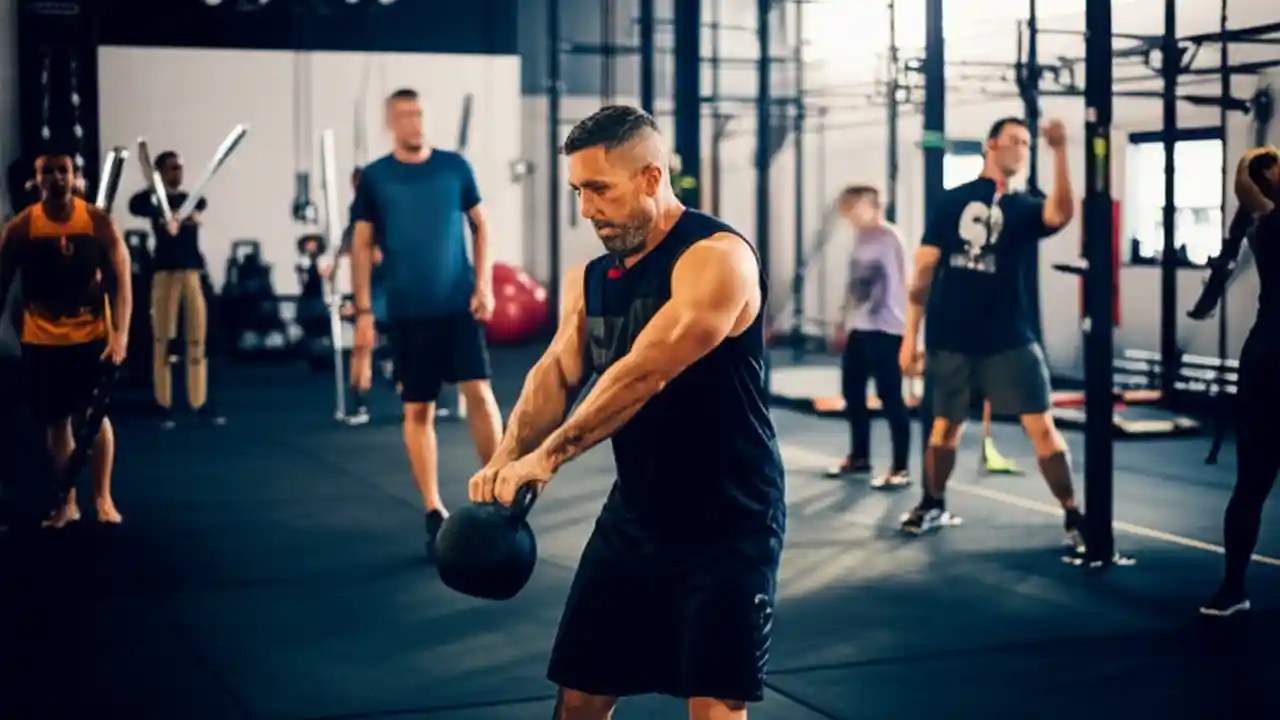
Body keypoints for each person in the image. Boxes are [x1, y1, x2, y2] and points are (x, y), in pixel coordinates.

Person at [467, 105, 785, 720]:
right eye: (578, 191)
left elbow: (646, 371)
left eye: (599, 190)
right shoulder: (593, 277)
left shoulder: (716, 258)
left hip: (730, 519)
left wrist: (550, 456)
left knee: (715, 706)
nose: (586, 209)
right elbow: (556, 372)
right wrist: (509, 453)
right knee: (580, 698)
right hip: (637, 514)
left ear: (650, 177)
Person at [898, 117, 1085, 547]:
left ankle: (1074, 515)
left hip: (1009, 336)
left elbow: (1060, 213)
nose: (1021, 149)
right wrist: (911, 337)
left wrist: (1059, 150)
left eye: (1026, 143)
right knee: (944, 429)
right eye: (1013, 141)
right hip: (951, 337)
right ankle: (933, 501)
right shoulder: (950, 202)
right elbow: (923, 271)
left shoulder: (1022, 207)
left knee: (1041, 426)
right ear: (991, 146)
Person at [349, 88, 503, 558]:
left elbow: (482, 224)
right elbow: (360, 245)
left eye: (418, 113)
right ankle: (434, 508)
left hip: (457, 303)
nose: (413, 122)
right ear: (389, 122)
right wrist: (363, 314)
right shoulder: (376, 177)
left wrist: (485, 284)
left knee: (478, 391)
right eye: (403, 115)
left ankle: (499, 489)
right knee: (418, 409)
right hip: (408, 312)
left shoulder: (454, 167)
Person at [0, 150, 133, 526]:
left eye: (64, 171)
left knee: (96, 417)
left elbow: (122, 280)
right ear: (36, 180)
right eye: (48, 172)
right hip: (43, 336)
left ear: (75, 177)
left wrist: (120, 335)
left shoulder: (96, 221)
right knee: (56, 422)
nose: (57, 178)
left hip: (91, 333)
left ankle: (103, 498)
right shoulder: (22, 227)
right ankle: (66, 502)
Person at [1195, 146, 1280, 617]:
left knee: (1250, 483)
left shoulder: (1263, 224)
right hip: (1270, 361)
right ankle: (1232, 587)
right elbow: (1245, 182)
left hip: (1264, 355)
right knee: (1252, 482)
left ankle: (1232, 589)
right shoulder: (1268, 223)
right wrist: (1250, 159)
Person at [127, 150, 225, 429]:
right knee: (162, 339)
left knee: (197, 338)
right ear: (161, 173)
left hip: (191, 271)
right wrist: (158, 201)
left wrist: (184, 216)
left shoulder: (188, 200)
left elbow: (200, 202)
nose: (178, 173)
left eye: (180, 167)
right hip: (164, 273)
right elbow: (136, 205)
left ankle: (199, 400)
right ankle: (164, 403)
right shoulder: (153, 201)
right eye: (172, 168)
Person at [825, 184, 911, 489]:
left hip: (887, 329)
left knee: (890, 398)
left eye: (853, 206)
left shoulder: (891, 238)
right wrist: (841, 320)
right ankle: (859, 457)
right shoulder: (859, 238)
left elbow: (906, 287)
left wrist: (912, 336)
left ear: (871, 205)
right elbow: (854, 284)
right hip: (859, 328)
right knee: (853, 393)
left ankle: (900, 467)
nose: (848, 214)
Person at [332, 166, 389, 426]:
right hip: (364, 289)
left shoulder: (385, 214)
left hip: (388, 286)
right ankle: (359, 398)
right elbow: (347, 250)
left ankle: (397, 373)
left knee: (400, 340)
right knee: (363, 343)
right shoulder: (355, 216)